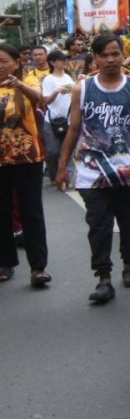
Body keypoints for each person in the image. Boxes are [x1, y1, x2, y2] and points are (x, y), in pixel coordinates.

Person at [55, 33, 130, 302]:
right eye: (104, 55)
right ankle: (103, 277)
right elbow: (74, 129)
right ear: (95, 58)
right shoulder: (83, 88)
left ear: (123, 55)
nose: (111, 59)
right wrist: (62, 167)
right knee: (99, 227)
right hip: (92, 174)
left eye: (116, 53)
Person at [0, 43, 50, 286]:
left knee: (32, 213)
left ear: (17, 63)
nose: (0, 66)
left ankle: (38, 267)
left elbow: (40, 100)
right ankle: (5, 263)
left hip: (28, 159)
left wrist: (18, 84)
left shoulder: (29, 81)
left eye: (4, 61)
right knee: (2, 213)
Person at [41, 49, 74, 182]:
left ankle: (68, 177)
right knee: (53, 151)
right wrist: (56, 92)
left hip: (68, 119)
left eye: (65, 59)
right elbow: (46, 101)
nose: (64, 62)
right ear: (52, 62)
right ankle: (53, 174)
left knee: (68, 149)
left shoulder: (68, 77)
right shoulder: (48, 79)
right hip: (52, 120)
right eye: (61, 60)